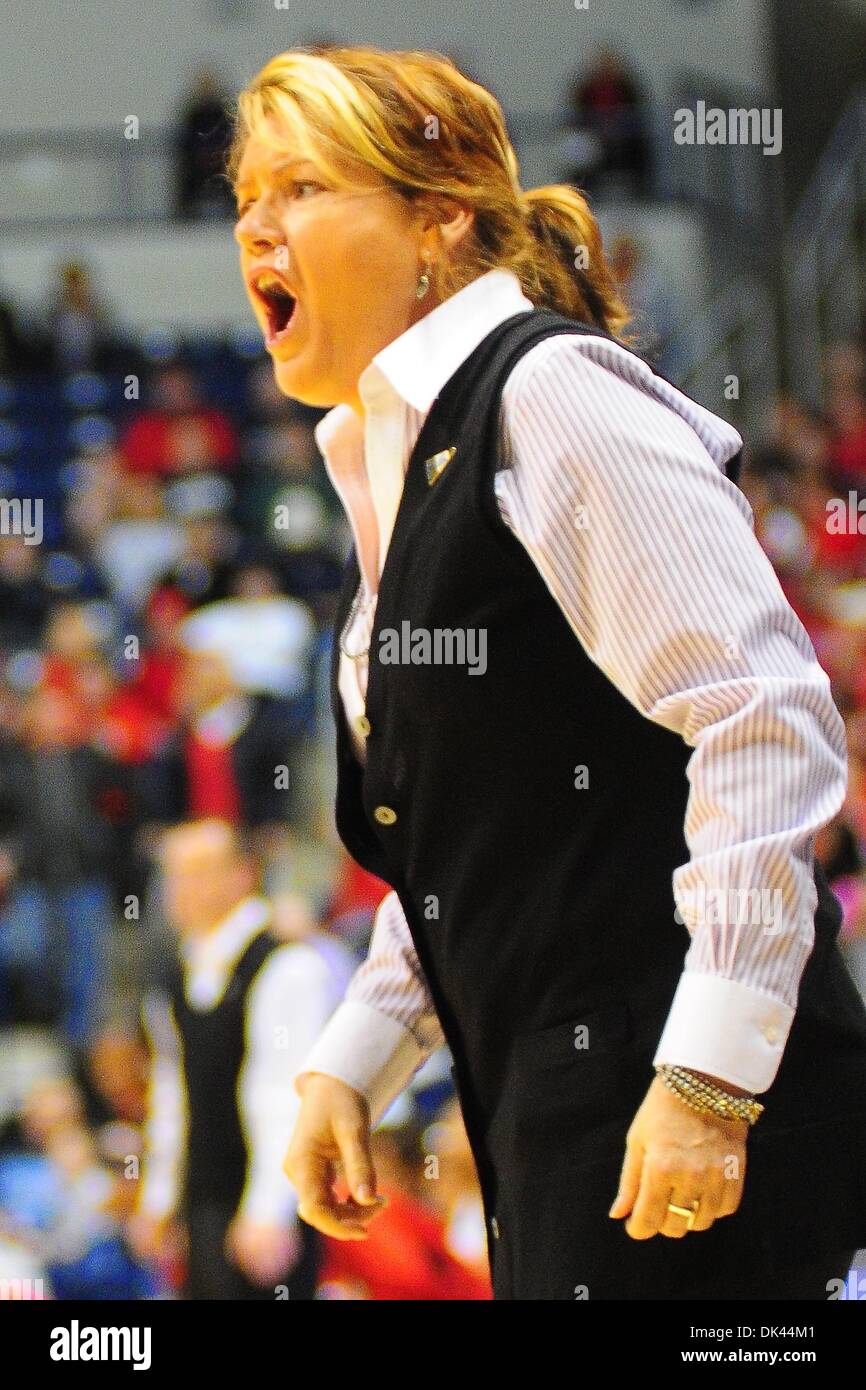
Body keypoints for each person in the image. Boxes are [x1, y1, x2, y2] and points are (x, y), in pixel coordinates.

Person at [228, 45, 866, 1300]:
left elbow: (763, 716)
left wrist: (708, 1075)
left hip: (699, 1148)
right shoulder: (394, 464)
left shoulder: (550, 392)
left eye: (300, 186)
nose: (255, 223)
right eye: (246, 194)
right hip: (570, 1139)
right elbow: (477, 851)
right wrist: (350, 1060)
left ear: (437, 216)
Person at [130, 819, 341, 1299]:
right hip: (204, 1197)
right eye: (172, 875)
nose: (177, 890)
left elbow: (287, 1096)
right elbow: (171, 1094)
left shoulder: (285, 965)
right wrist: (160, 1198)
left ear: (242, 874)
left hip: (270, 1195)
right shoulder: (173, 977)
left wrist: (269, 1209)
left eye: (196, 873)